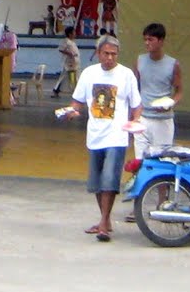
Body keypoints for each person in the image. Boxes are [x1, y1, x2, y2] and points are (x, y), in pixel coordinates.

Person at [56, 34, 142, 242]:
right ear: (98, 53)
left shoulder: (126, 75)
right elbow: (77, 102)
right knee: (96, 181)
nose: (110, 58)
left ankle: (103, 223)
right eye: (106, 53)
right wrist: (72, 111)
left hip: (117, 136)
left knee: (109, 180)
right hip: (95, 135)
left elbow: (136, 105)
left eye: (114, 54)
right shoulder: (88, 74)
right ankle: (106, 218)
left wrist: (135, 122)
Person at [133, 22, 181, 153]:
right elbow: (133, 89)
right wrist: (134, 116)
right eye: (145, 39)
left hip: (163, 120)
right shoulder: (139, 60)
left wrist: (171, 103)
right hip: (142, 118)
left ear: (161, 41)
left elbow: (179, 91)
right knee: (140, 160)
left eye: (150, 39)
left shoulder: (173, 64)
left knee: (161, 159)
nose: (147, 43)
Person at [52, 26, 81, 98]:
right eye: (74, 32)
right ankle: (56, 89)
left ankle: (76, 90)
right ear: (70, 34)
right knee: (65, 76)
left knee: (75, 76)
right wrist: (69, 54)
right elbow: (61, 49)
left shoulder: (72, 42)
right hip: (69, 62)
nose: (75, 34)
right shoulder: (66, 41)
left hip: (74, 62)